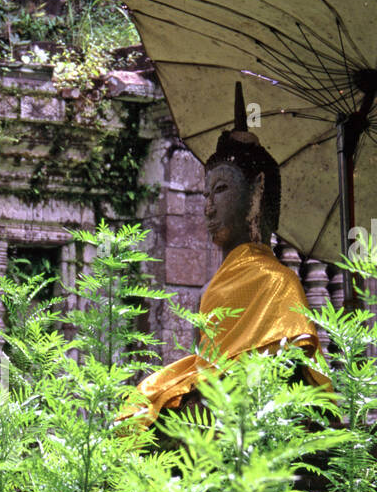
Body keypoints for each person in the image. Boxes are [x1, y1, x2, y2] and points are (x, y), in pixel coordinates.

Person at [119, 84, 331, 437]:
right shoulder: (216, 283)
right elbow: (208, 364)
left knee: (182, 427)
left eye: (221, 191)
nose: (208, 207)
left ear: (257, 193)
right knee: (140, 408)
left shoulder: (279, 281)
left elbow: (289, 370)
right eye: (205, 194)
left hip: (251, 404)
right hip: (212, 394)